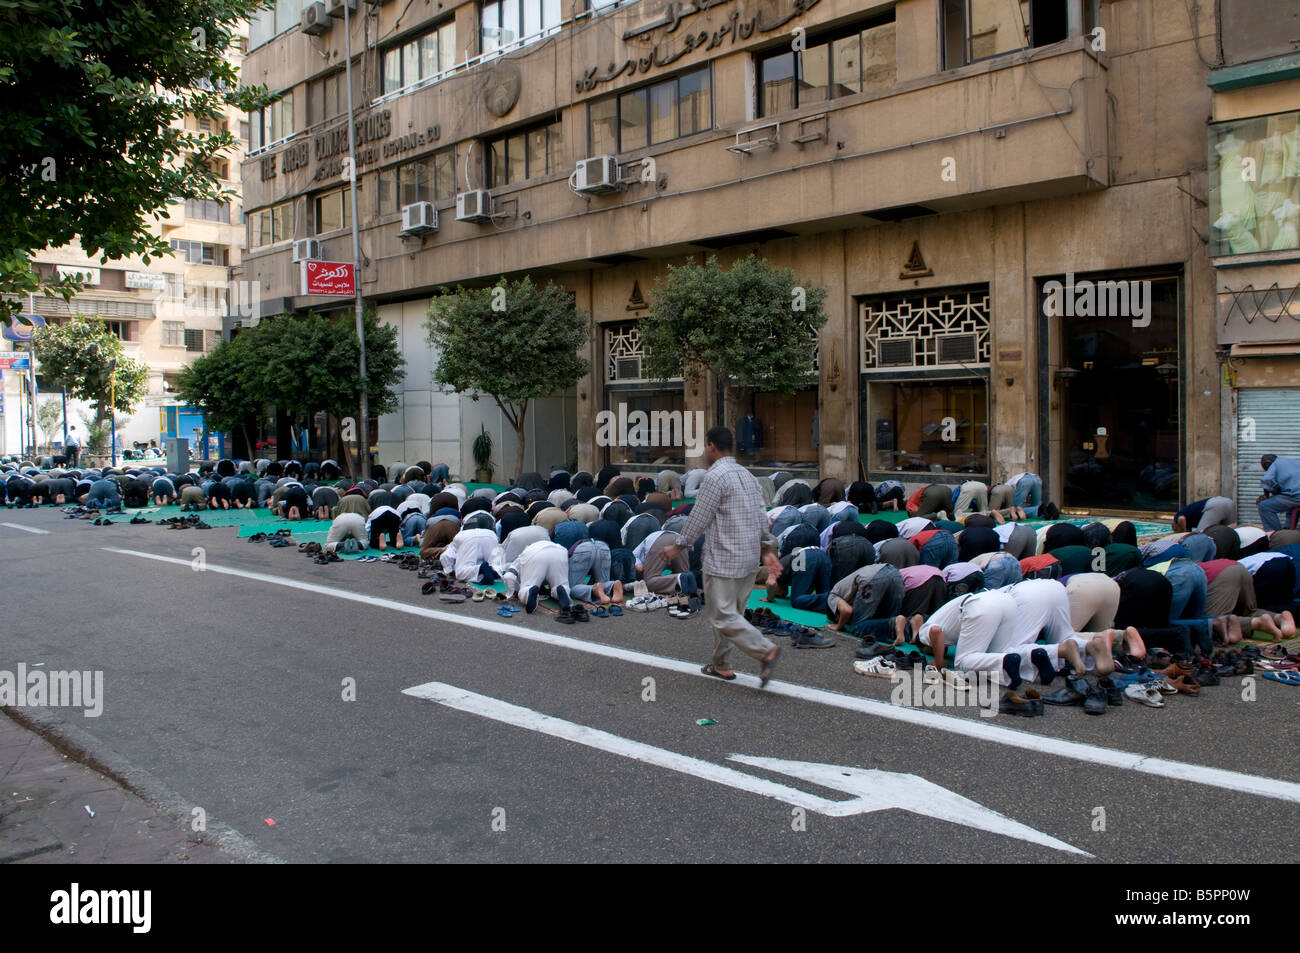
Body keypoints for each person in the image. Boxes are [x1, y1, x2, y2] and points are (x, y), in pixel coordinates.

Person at [662, 427, 783, 685]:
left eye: (706, 447)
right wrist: (767, 551)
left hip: (724, 559)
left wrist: (678, 546)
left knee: (722, 616)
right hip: (749, 559)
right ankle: (722, 665)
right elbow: (761, 516)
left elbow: (699, 517)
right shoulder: (748, 476)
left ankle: (766, 651)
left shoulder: (715, 477)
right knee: (731, 616)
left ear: (712, 446)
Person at [1257, 454, 1300, 532]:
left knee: (1264, 506)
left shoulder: (1275, 464)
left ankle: (1274, 534)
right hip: (1294, 495)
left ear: (1267, 464)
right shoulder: (1293, 462)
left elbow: (1267, 480)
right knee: (1288, 499)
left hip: (1296, 496)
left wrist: (1265, 496)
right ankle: (1288, 528)